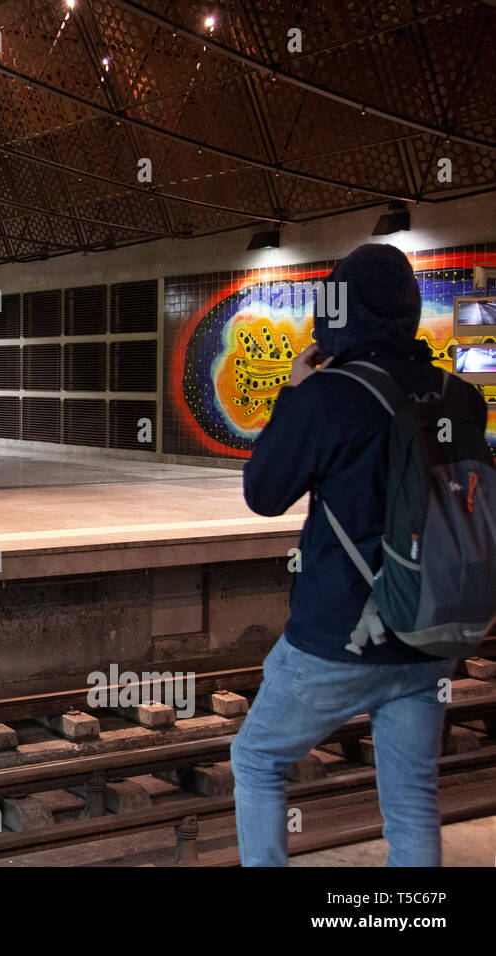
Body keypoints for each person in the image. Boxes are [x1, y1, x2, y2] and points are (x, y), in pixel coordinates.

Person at [231, 243, 482, 866]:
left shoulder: (327, 395)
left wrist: (292, 392)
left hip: (341, 632)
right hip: (431, 630)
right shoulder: (460, 397)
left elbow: (264, 494)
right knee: (413, 796)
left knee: (258, 758)